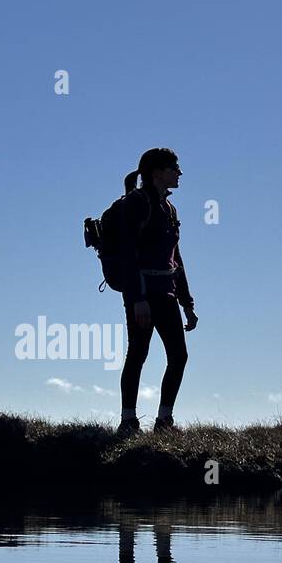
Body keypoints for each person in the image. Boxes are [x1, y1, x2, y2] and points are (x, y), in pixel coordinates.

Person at [115, 148, 199, 436]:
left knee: (179, 355)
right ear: (156, 172)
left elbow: (176, 258)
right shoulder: (137, 203)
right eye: (174, 167)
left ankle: (164, 421)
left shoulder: (169, 208)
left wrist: (187, 302)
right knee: (138, 354)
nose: (179, 173)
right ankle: (128, 421)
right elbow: (127, 253)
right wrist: (137, 299)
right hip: (142, 294)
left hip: (166, 294)